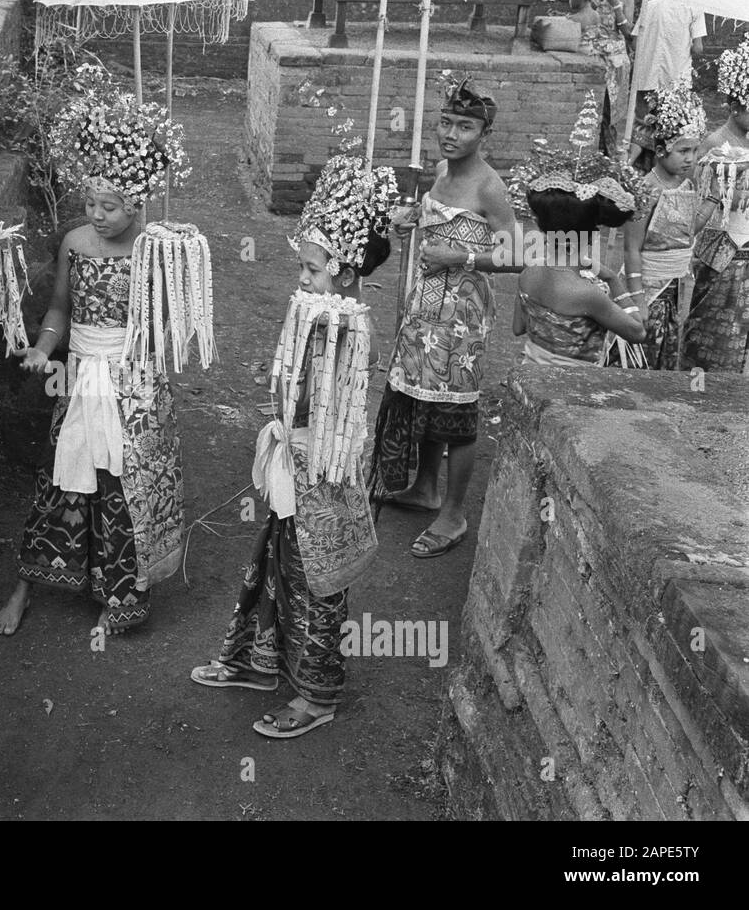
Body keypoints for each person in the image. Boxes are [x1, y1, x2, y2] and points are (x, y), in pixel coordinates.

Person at [190, 154, 394, 738]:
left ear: (346, 273)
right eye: (302, 267)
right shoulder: (314, 315)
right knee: (277, 563)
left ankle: (317, 696)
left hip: (322, 477)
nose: (302, 279)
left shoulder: (346, 328)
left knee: (318, 582)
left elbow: (319, 405)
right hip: (297, 467)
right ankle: (260, 663)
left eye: (312, 268)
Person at [0, 94, 187, 637]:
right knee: (62, 471)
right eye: (93, 203)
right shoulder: (76, 242)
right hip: (78, 378)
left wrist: (138, 368)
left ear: (140, 201)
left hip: (132, 381)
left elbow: (165, 328)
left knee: (122, 481)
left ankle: (118, 593)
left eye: (112, 205)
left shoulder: (155, 251)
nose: (98, 216)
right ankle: (26, 586)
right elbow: (59, 309)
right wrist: (42, 348)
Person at [367, 75, 520, 559]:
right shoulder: (440, 172)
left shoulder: (490, 188)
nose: (451, 134)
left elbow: (518, 256)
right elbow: (437, 223)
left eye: (465, 126)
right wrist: (410, 220)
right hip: (424, 309)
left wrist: (462, 259)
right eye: (446, 122)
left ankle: (453, 515)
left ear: (484, 133)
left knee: (457, 413)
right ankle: (425, 487)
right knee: (423, 398)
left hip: (462, 320)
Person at [506, 112, 649, 366]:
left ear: (543, 230)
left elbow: (519, 327)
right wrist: (614, 280)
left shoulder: (528, 274)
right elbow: (637, 332)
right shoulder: (588, 294)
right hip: (568, 391)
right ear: (592, 235)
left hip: (528, 376)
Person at [616, 78, 720, 369]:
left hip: (674, 289)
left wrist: (712, 200)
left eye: (695, 151)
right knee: (641, 358)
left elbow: (686, 233)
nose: (691, 159)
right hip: (649, 288)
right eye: (683, 151)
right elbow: (631, 249)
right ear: (660, 150)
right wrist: (637, 299)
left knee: (665, 359)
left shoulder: (686, 184)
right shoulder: (646, 190)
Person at [686, 37, 749, 371]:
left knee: (739, 336)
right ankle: (699, 389)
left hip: (746, 248)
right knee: (710, 329)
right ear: (735, 105)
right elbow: (711, 200)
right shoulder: (714, 143)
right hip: (722, 249)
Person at [630, 0, 706, 167]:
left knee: (643, 123)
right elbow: (698, 48)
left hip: (647, 76)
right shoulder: (694, 7)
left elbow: (635, 43)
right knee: (670, 129)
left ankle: (637, 170)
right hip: (675, 81)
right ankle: (660, 171)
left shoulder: (649, 6)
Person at [571, 0, 635, 155]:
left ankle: (606, 150)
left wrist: (616, 5)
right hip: (595, 54)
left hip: (615, 59)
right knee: (591, 103)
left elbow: (628, 33)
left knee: (610, 108)